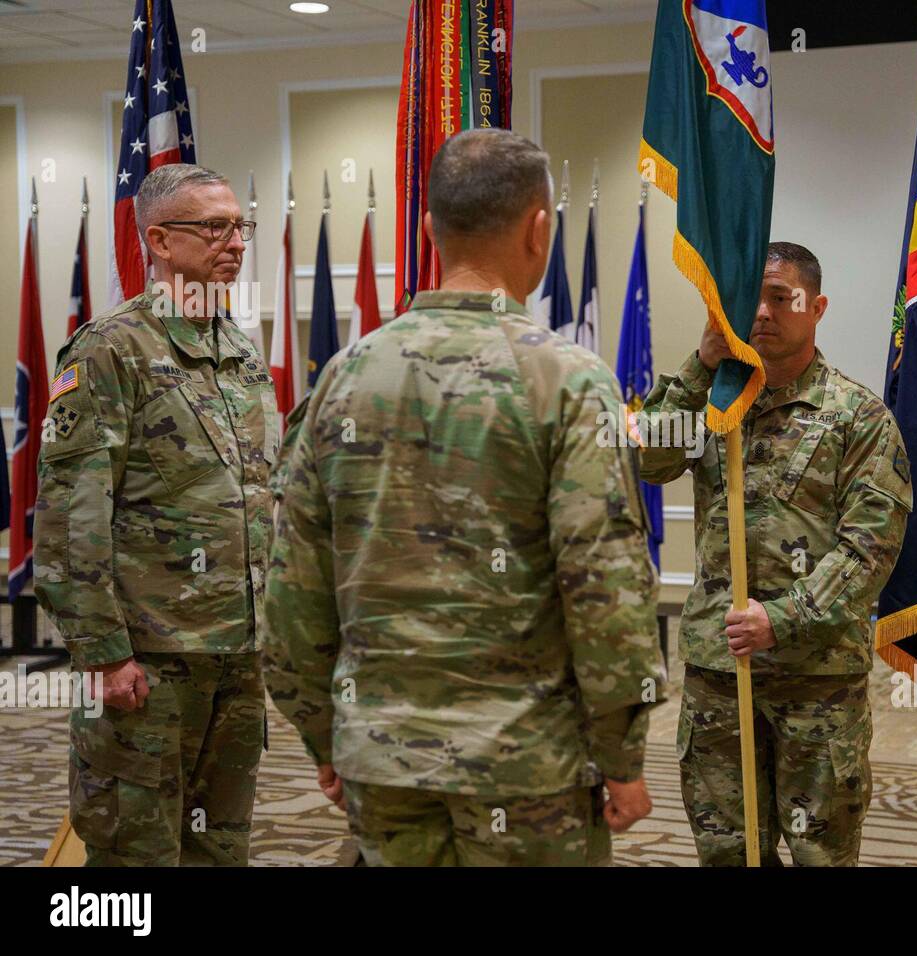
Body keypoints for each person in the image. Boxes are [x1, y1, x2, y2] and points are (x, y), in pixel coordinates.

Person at [263, 128, 664, 867]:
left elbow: (294, 588)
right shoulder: (569, 380)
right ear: (539, 229)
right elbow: (604, 585)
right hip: (525, 763)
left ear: (428, 230)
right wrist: (622, 753)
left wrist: (324, 731)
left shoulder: (343, 377)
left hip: (380, 760)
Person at [640, 242, 912, 866]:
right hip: (719, 669)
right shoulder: (716, 405)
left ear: (815, 307)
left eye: (780, 297)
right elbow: (650, 459)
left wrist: (780, 618)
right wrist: (701, 363)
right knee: (727, 849)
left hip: (814, 678)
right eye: (751, 299)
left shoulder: (858, 415)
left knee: (821, 851)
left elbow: (869, 549)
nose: (762, 312)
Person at [35, 163, 275, 866]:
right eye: (216, 228)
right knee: (135, 855)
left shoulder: (241, 355)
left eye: (241, 227)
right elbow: (70, 519)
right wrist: (104, 654)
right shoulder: (111, 350)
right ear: (161, 241)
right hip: (148, 665)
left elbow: (259, 501)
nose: (234, 242)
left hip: (237, 655)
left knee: (218, 848)